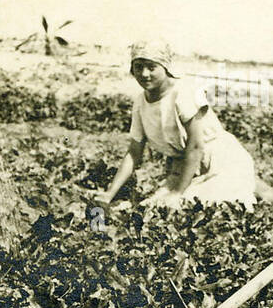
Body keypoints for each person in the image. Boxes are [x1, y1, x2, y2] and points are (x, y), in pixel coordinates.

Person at [96, 41, 257, 209]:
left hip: (220, 160)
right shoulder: (140, 103)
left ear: (165, 68)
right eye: (138, 67)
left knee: (200, 206)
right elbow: (134, 152)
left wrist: (177, 193)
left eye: (152, 67)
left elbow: (196, 147)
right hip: (184, 167)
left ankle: (247, 182)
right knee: (155, 207)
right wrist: (109, 194)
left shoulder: (184, 93)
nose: (144, 74)